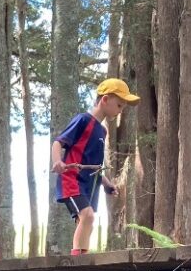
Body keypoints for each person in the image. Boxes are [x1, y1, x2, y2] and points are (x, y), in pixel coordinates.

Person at [50, 78, 138, 256]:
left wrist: (106, 183)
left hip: (89, 184)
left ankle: (82, 255)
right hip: (72, 180)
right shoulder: (83, 120)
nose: (120, 111)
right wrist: (57, 161)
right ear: (105, 100)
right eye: (119, 106)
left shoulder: (102, 131)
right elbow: (58, 142)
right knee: (87, 216)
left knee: (86, 222)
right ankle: (77, 261)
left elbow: (95, 165)